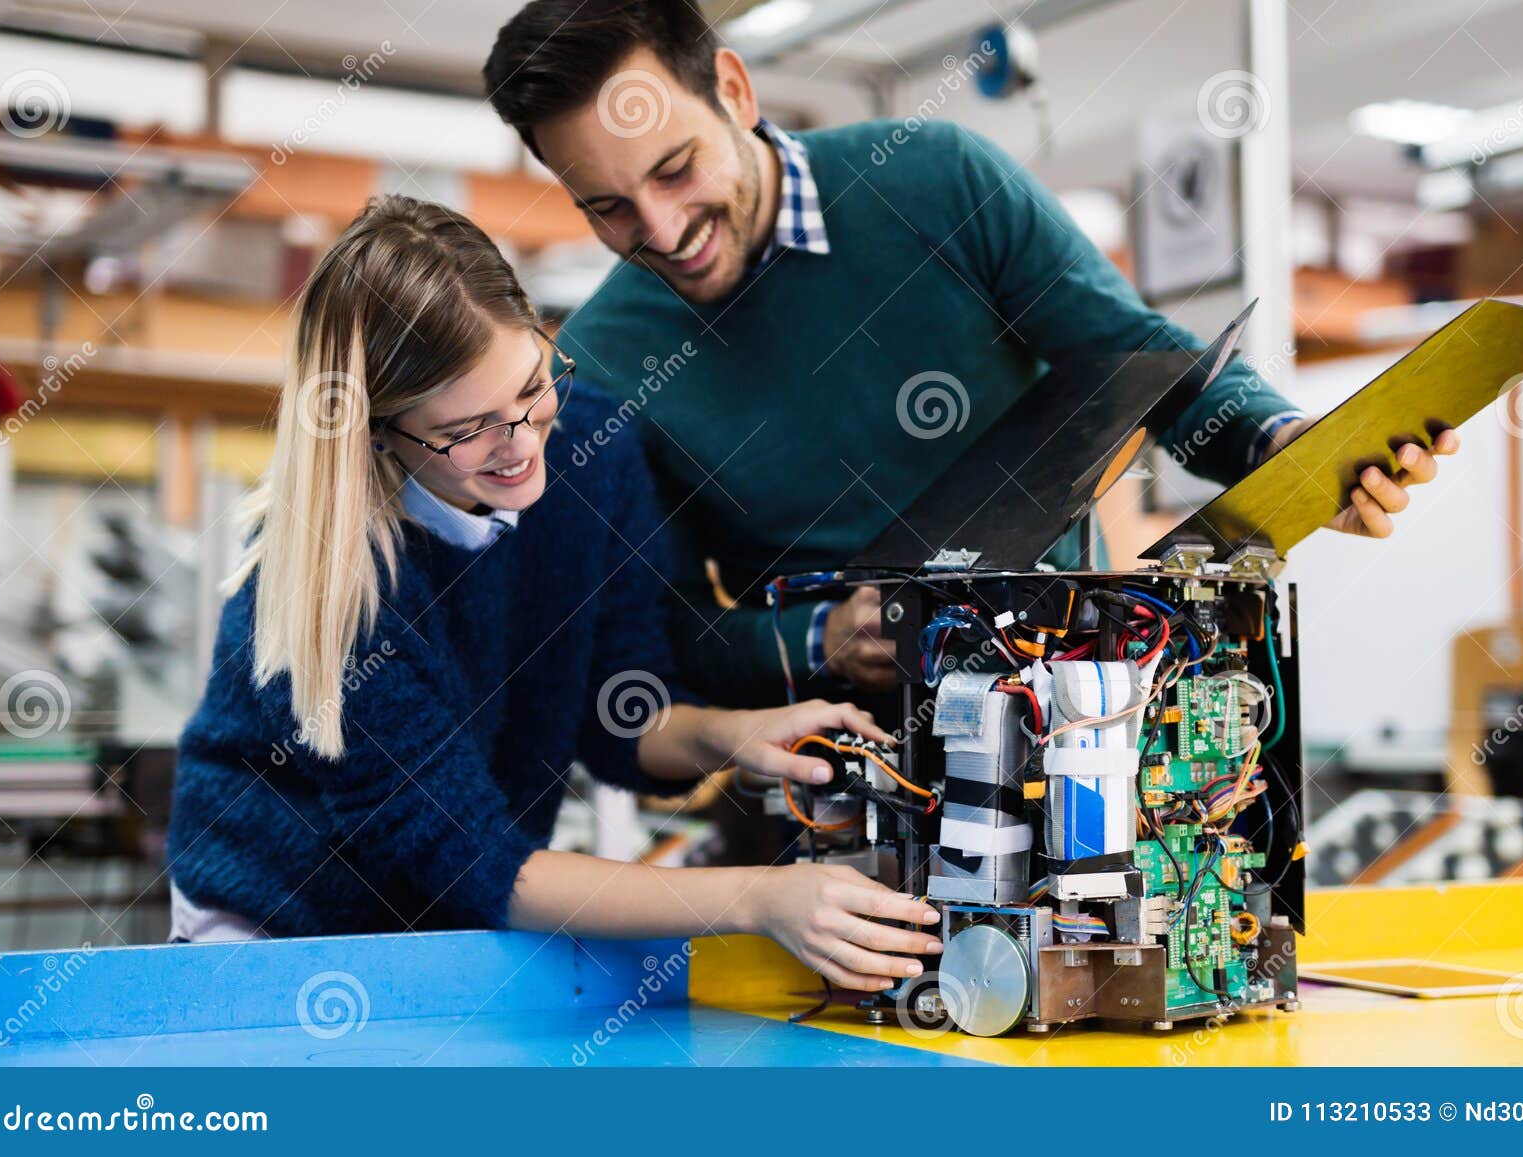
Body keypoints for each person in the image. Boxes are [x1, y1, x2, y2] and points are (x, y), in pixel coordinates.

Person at [483, 0, 1458, 706]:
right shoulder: (605, 362)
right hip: (847, 790)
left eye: (674, 168)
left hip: (1086, 715)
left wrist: (1285, 443)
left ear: (732, 91)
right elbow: (676, 631)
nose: (658, 228)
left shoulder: (934, 179)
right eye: (604, 206)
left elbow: (1140, 358)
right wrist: (823, 637)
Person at [165, 195, 943, 994]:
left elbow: (621, 710)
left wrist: (734, 734)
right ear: (378, 430)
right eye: (469, 429)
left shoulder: (593, 453)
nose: (524, 443)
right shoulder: (331, 585)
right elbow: (481, 867)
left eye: (535, 386)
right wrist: (758, 897)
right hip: (276, 930)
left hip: (456, 923)